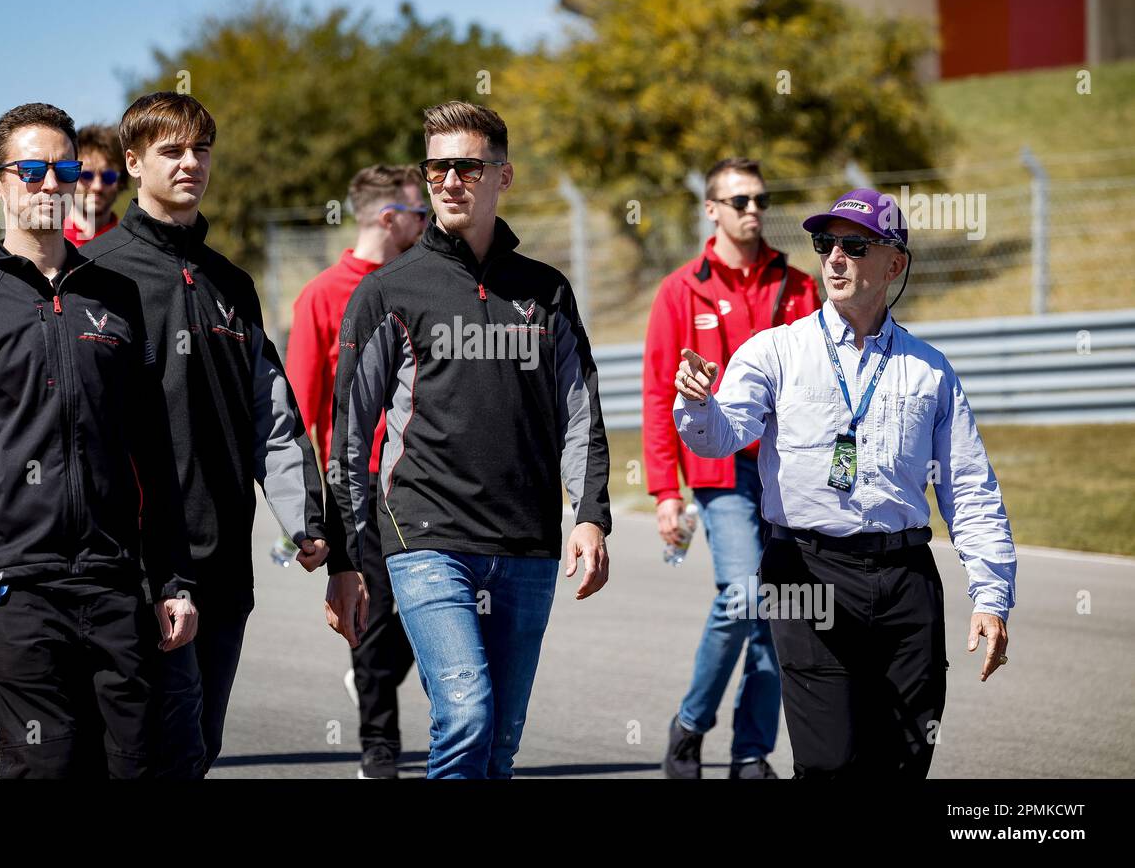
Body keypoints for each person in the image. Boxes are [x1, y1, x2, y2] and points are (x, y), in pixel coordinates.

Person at [673, 187, 1017, 778]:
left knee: (903, 765)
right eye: (825, 243)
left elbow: (970, 489)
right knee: (830, 765)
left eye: (854, 246)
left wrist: (991, 596)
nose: (834, 258)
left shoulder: (929, 369)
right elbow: (719, 435)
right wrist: (698, 405)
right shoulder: (777, 351)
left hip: (906, 576)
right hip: (805, 571)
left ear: (895, 264)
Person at [0, 102, 197, 778]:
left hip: (114, 579)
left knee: (132, 765)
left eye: (62, 169)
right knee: (48, 765)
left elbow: (154, 452)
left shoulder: (119, 299)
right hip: (15, 584)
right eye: (29, 170)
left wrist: (173, 579)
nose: (48, 184)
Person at [329, 101, 612, 779]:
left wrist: (592, 514)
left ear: (503, 176)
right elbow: (348, 434)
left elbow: (581, 411)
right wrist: (346, 555)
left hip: (526, 542)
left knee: (500, 746)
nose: (449, 180)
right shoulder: (388, 291)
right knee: (466, 714)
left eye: (466, 166)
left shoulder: (546, 291)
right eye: (436, 167)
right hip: (425, 535)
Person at [81, 92, 329, 778]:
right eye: (171, 151)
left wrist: (304, 518)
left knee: (198, 747)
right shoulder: (95, 277)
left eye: (201, 150)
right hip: (134, 562)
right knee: (160, 748)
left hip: (225, 561)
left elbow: (271, 416)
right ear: (132, 163)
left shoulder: (233, 284)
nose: (191, 163)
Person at [644, 157, 820, 780]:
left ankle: (751, 754)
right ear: (712, 210)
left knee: (783, 606)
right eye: (738, 200)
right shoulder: (679, 290)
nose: (753, 210)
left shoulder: (799, 286)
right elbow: (658, 393)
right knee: (746, 596)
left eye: (760, 200)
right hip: (718, 472)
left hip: (787, 474)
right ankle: (691, 725)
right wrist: (665, 490)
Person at [286, 164, 425, 779]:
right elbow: (297, 409)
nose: (429, 223)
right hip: (358, 484)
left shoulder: (424, 284)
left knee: (432, 607)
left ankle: (368, 675)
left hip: (423, 482)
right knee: (376, 607)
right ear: (388, 218)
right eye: (419, 214)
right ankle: (380, 749)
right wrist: (312, 508)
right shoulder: (321, 296)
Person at [63, 123, 127, 245]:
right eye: (86, 176)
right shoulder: (47, 243)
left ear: (121, 182)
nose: (97, 186)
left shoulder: (130, 245)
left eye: (109, 177)